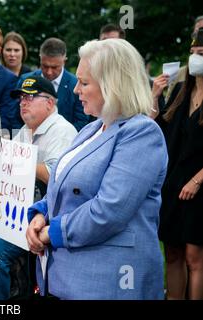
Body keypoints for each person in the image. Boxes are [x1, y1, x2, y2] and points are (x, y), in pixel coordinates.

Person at [26, 38, 168, 299]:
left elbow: (110, 210)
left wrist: (51, 232)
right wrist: (40, 213)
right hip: (66, 279)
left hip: (108, 282)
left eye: (85, 82)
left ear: (112, 84)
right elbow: (63, 184)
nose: (76, 90)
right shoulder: (92, 129)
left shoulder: (141, 133)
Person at [0, 75, 77, 299]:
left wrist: (19, 159)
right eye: (21, 97)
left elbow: (57, 179)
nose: (23, 102)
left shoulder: (62, 131)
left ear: (50, 103)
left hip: (45, 216)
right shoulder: (25, 130)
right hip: (15, 212)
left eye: (30, 97)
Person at [151, 28, 203, 300]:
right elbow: (157, 128)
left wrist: (197, 181)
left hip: (199, 186)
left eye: (201, 53)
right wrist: (155, 95)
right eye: (192, 53)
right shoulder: (182, 91)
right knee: (172, 252)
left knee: (195, 256)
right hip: (172, 184)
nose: (195, 58)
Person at [19, 37, 89, 131]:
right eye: (45, 66)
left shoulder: (75, 85)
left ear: (64, 61)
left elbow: (82, 121)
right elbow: (15, 116)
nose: (49, 72)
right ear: (40, 58)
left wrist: (61, 138)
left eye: (55, 67)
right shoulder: (25, 80)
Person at [166, 15, 203, 102]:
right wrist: (156, 98)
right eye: (196, 33)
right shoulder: (179, 76)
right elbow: (167, 111)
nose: (199, 36)